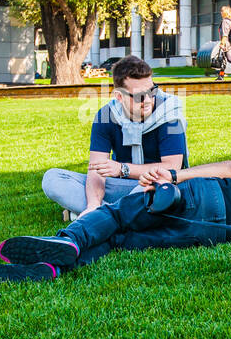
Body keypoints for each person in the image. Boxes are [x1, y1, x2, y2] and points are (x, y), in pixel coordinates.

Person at [0, 130, 231, 282]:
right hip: (216, 233)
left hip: (208, 197)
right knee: (121, 237)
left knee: (122, 212)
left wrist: (176, 175)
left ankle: (69, 239)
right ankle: (53, 268)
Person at [42, 55, 188, 221]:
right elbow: (96, 169)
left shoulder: (169, 115)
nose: (147, 100)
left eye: (152, 90)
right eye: (139, 96)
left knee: (151, 190)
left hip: (159, 184)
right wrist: (93, 203)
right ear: (119, 96)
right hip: (122, 185)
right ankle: (106, 212)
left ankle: (102, 216)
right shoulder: (106, 116)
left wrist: (122, 169)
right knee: (52, 179)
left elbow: (172, 168)